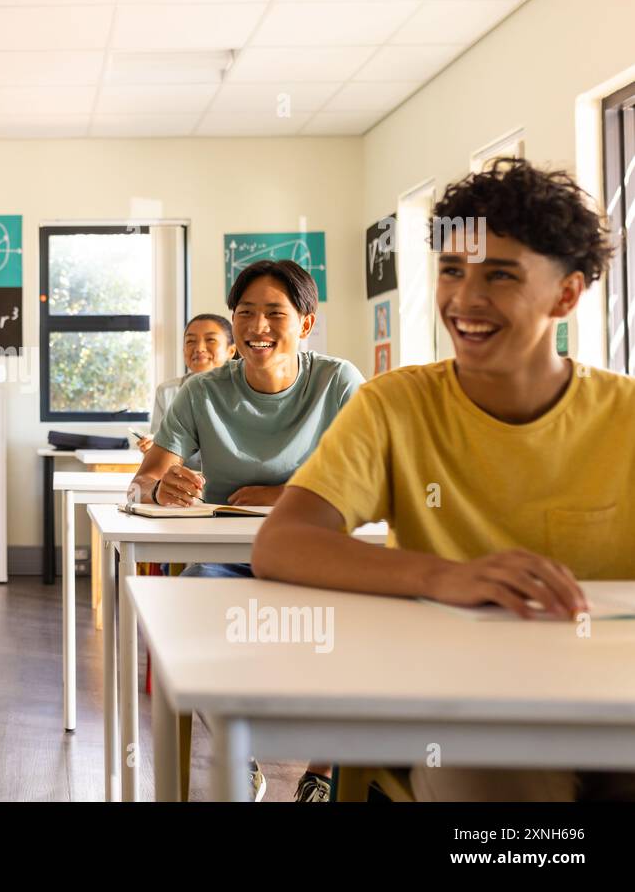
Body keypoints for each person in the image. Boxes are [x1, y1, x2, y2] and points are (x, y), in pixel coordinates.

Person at [252, 157, 635, 801]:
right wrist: (447, 577)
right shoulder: (394, 407)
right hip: (460, 705)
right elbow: (281, 543)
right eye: (452, 271)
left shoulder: (623, 416)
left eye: (501, 276)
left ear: (567, 294)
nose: (465, 299)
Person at [127, 258, 364, 801]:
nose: (258, 327)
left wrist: (285, 496)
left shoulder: (338, 382)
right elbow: (143, 483)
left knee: (360, 620)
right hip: (229, 559)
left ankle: (320, 775)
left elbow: (372, 479)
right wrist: (160, 488)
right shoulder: (201, 393)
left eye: (274, 313)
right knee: (186, 600)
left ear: (305, 323)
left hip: (318, 560)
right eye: (245, 313)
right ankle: (244, 750)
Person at [137, 313, 235, 466]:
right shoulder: (167, 391)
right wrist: (153, 449)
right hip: (181, 483)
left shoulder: (245, 390)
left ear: (231, 351)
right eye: (190, 341)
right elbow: (159, 448)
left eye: (210, 340)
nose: (199, 348)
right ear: (183, 351)